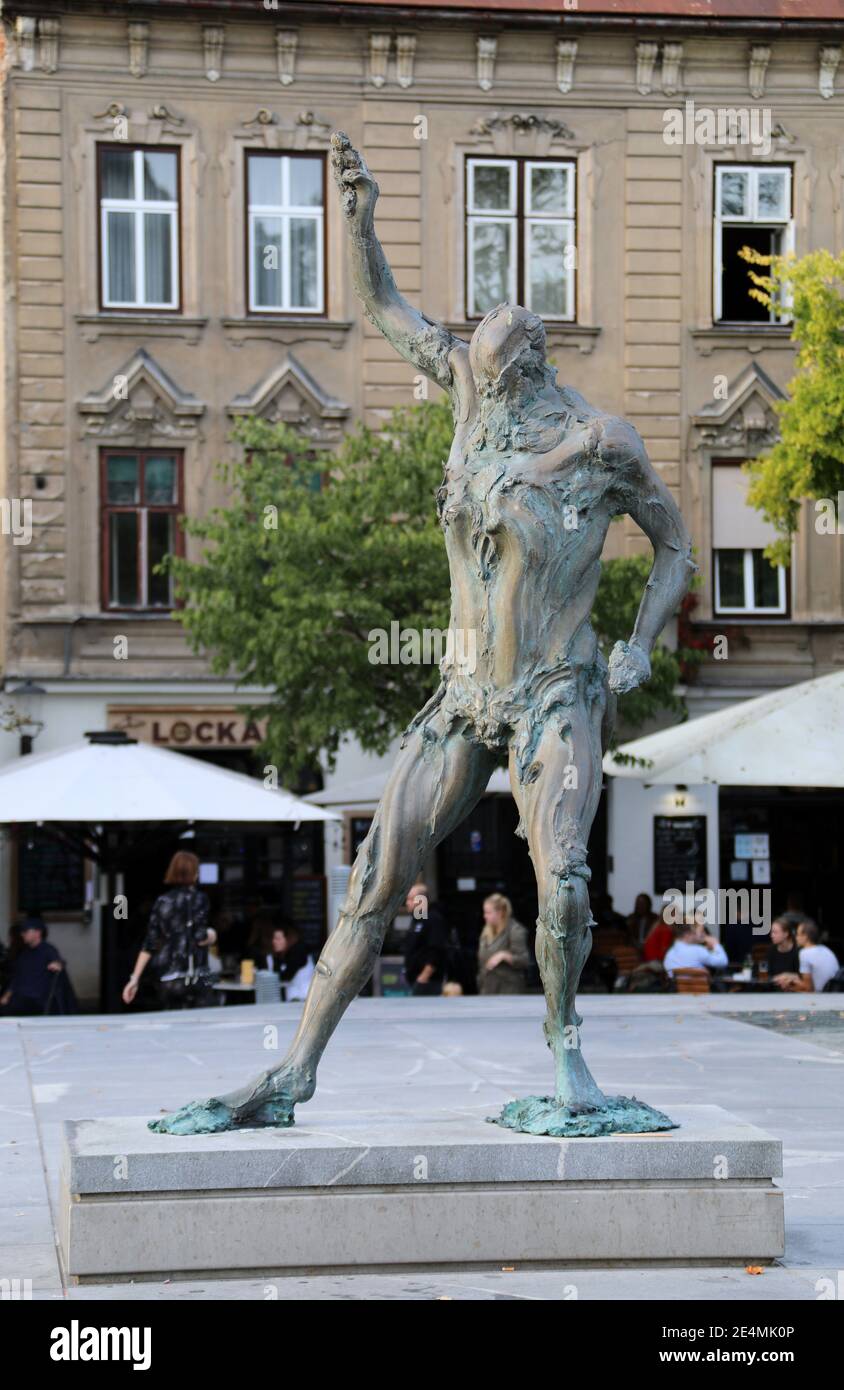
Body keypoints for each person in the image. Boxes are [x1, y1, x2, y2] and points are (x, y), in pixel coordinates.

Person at [150, 131, 694, 1133]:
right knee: (371, 876)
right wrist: (360, 224)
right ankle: (293, 1072)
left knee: (562, 872)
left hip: (554, 687)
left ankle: (568, 1053)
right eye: (472, 375)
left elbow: (677, 549)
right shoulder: (467, 400)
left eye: (496, 376)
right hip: (463, 693)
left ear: (530, 368)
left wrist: (641, 642)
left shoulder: (603, 442)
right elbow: (387, 310)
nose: (479, 388)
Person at [122, 852, 217, 1010]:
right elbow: (200, 937)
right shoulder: (200, 899)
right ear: (194, 873)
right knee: (201, 1026)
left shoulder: (162, 901)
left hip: (168, 978)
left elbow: (150, 943)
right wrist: (213, 935)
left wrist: (134, 979)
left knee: (174, 1026)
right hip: (197, 975)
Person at [0, 918, 77, 1015]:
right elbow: (16, 979)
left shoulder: (48, 949)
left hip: (37, 1001)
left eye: (26, 931)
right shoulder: (24, 954)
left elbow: (58, 961)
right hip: (20, 998)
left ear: (37, 933)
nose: (22, 934)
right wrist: (6, 996)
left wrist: (57, 964)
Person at [403, 882, 451, 996]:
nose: (407, 903)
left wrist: (424, 976)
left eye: (411, 899)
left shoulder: (433, 919)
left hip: (428, 981)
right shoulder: (417, 920)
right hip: (414, 978)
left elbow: (436, 950)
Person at [477, 893, 530, 995]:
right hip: (487, 989)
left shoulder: (515, 930)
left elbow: (524, 960)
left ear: (500, 912)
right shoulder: (486, 932)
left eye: (488, 913)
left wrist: (504, 956)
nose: (485, 916)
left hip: (508, 991)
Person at [773, 919, 839, 993]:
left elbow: (808, 989)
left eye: (798, 934)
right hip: (833, 994)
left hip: (820, 998)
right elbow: (813, 977)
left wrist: (789, 984)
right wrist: (790, 976)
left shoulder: (805, 953)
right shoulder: (825, 949)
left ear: (805, 937)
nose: (796, 938)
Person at [663, 916, 728, 977]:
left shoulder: (669, 954)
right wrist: (716, 944)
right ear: (688, 934)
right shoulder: (698, 950)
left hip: (677, 989)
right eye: (701, 931)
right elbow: (723, 962)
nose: (703, 934)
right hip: (701, 989)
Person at [765, 917, 800, 981]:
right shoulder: (771, 950)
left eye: (775, 932)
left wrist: (787, 976)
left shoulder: (797, 951)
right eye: (771, 932)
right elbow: (768, 974)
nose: (771, 935)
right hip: (773, 987)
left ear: (786, 934)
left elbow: (802, 976)